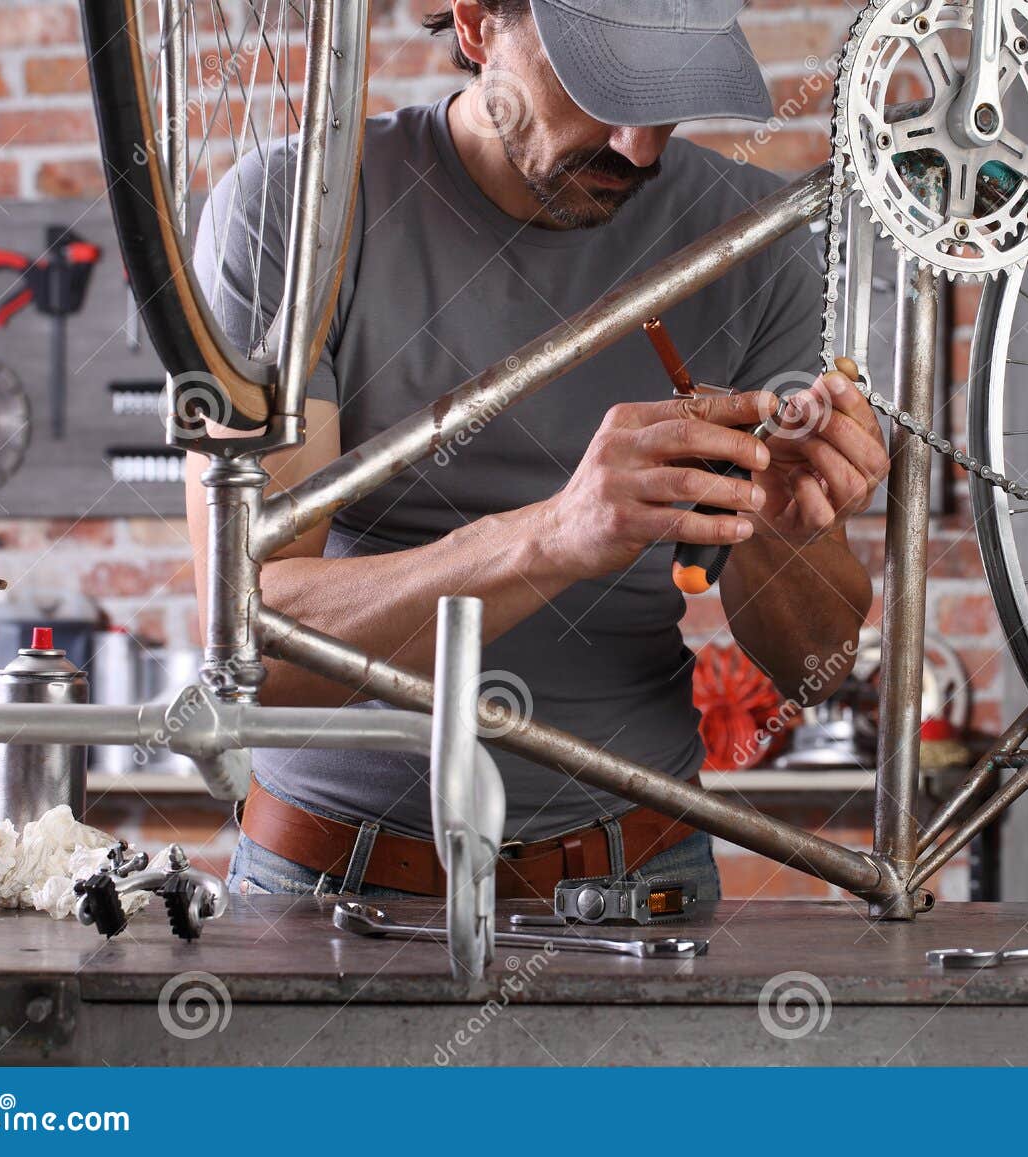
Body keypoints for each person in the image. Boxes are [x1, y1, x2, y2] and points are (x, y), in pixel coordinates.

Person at [188, 0, 890, 901]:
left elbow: (817, 665)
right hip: (324, 883)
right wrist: (556, 535)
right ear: (479, 27)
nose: (641, 147)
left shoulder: (759, 239)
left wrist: (780, 526)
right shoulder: (296, 214)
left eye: (670, 97)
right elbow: (248, 648)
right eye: (606, 88)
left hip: (641, 883)